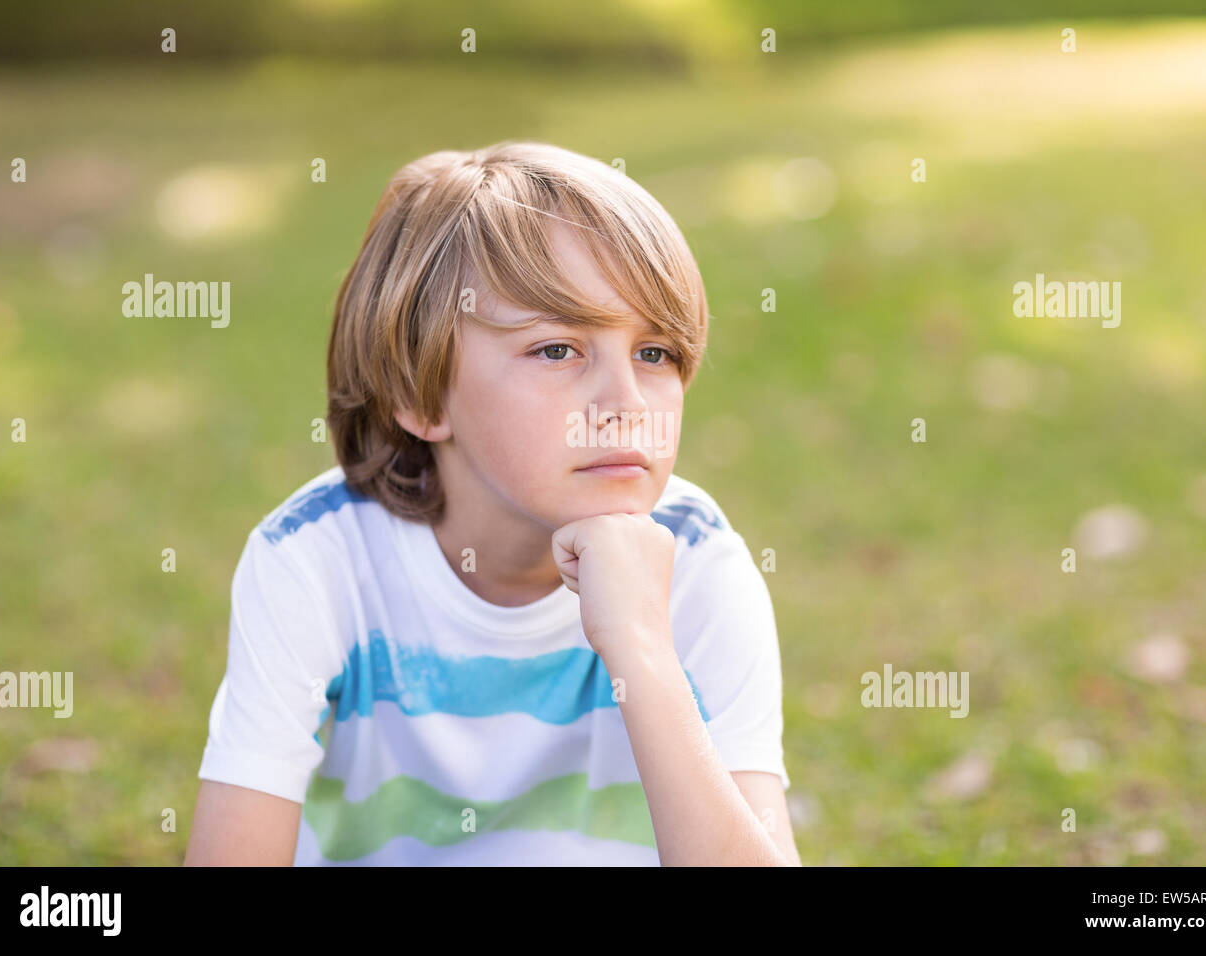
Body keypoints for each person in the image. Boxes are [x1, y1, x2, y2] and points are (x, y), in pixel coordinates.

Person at [184, 141, 798, 866]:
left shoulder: (700, 569)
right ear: (418, 392)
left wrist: (640, 646)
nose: (627, 405)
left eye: (654, 353)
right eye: (557, 350)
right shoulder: (319, 561)